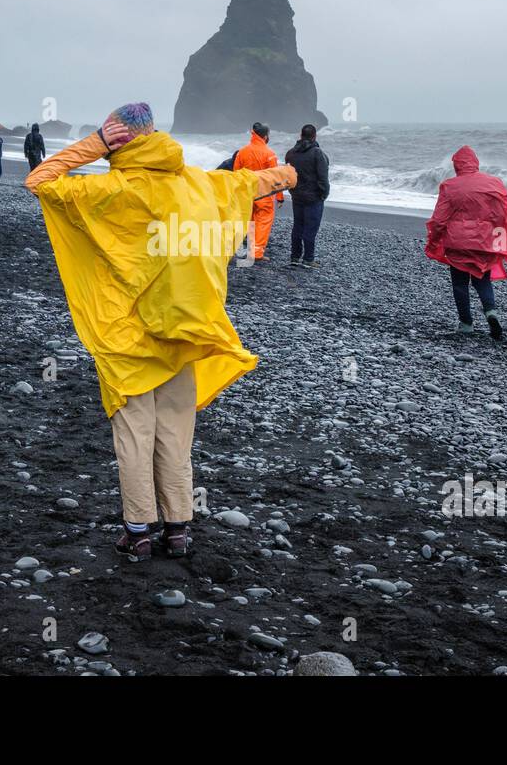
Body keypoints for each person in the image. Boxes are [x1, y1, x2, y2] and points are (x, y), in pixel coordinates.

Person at [25, 102, 296, 560]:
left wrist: (94, 145)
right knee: (174, 433)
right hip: (185, 329)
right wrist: (291, 168)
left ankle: (138, 531)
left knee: (135, 435)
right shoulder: (200, 183)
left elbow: (40, 180)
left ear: (118, 139)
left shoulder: (111, 188)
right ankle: (178, 530)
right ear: (155, 134)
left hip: (126, 334)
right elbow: (260, 182)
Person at [425, 146, 507, 339]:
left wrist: (434, 240)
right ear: (475, 163)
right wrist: (500, 241)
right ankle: (491, 312)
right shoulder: (494, 183)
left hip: (457, 243)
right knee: (483, 279)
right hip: (484, 241)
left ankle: (466, 323)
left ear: (457, 165)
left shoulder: (449, 186)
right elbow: (503, 216)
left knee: (460, 283)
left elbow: (439, 220)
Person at [232, 122, 283, 260]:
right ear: (265, 136)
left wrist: (236, 193)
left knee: (250, 221)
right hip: (264, 193)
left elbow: (236, 174)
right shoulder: (269, 154)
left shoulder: (242, 152)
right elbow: (275, 177)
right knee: (263, 221)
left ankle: (248, 248)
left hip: (247, 193)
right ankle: (257, 252)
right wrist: (279, 197)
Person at [284, 124, 331, 268]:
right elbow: (323, 177)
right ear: (314, 136)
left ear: (301, 135)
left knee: (298, 226)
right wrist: (324, 193)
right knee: (310, 228)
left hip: (297, 196)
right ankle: (308, 259)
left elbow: (288, 175)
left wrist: (292, 191)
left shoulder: (291, 153)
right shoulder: (317, 153)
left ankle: (295, 257)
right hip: (313, 197)